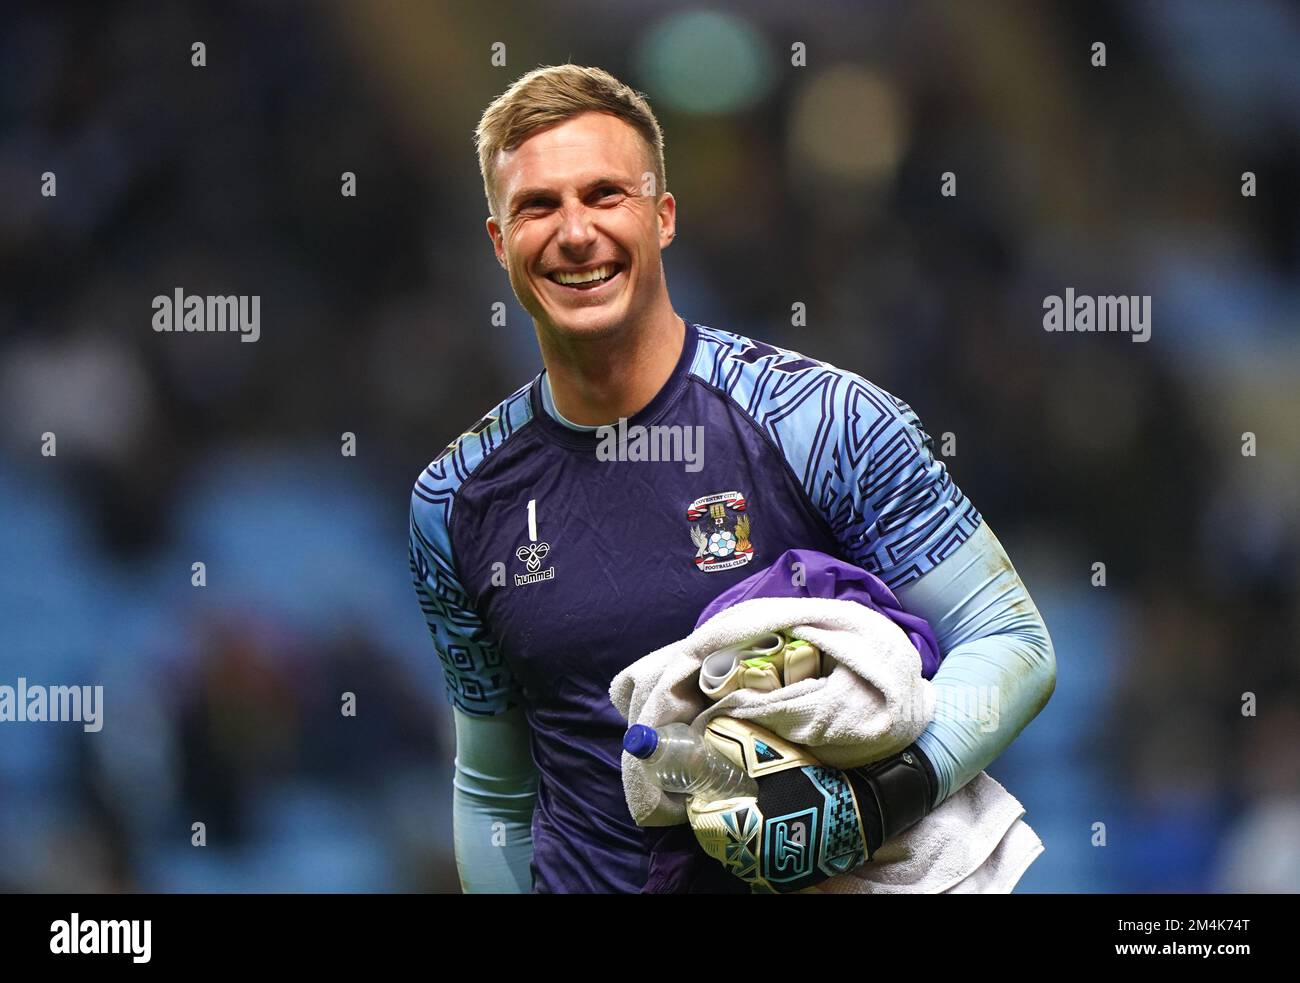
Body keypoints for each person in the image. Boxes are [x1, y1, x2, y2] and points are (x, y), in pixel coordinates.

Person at [408, 64, 1055, 893]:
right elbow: (495, 786)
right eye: (538, 206)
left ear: (663, 216)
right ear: (499, 241)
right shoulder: (454, 501)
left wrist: (883, 799)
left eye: (606, 195)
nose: (575, 233)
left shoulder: (822, 420)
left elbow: (1013, 643)